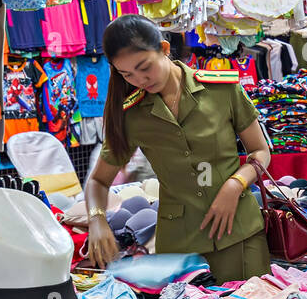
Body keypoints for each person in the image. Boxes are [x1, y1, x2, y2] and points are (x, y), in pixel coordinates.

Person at [83, 14, 272, 282]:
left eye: (144, 67)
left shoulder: (222, 90)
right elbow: (98, 182)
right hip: (181, 246)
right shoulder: (131, 115)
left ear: (164, 49)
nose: (139, 79)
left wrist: (235, 184)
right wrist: (97, 219)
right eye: (127, 74)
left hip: (240, 232)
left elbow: (261, 151)